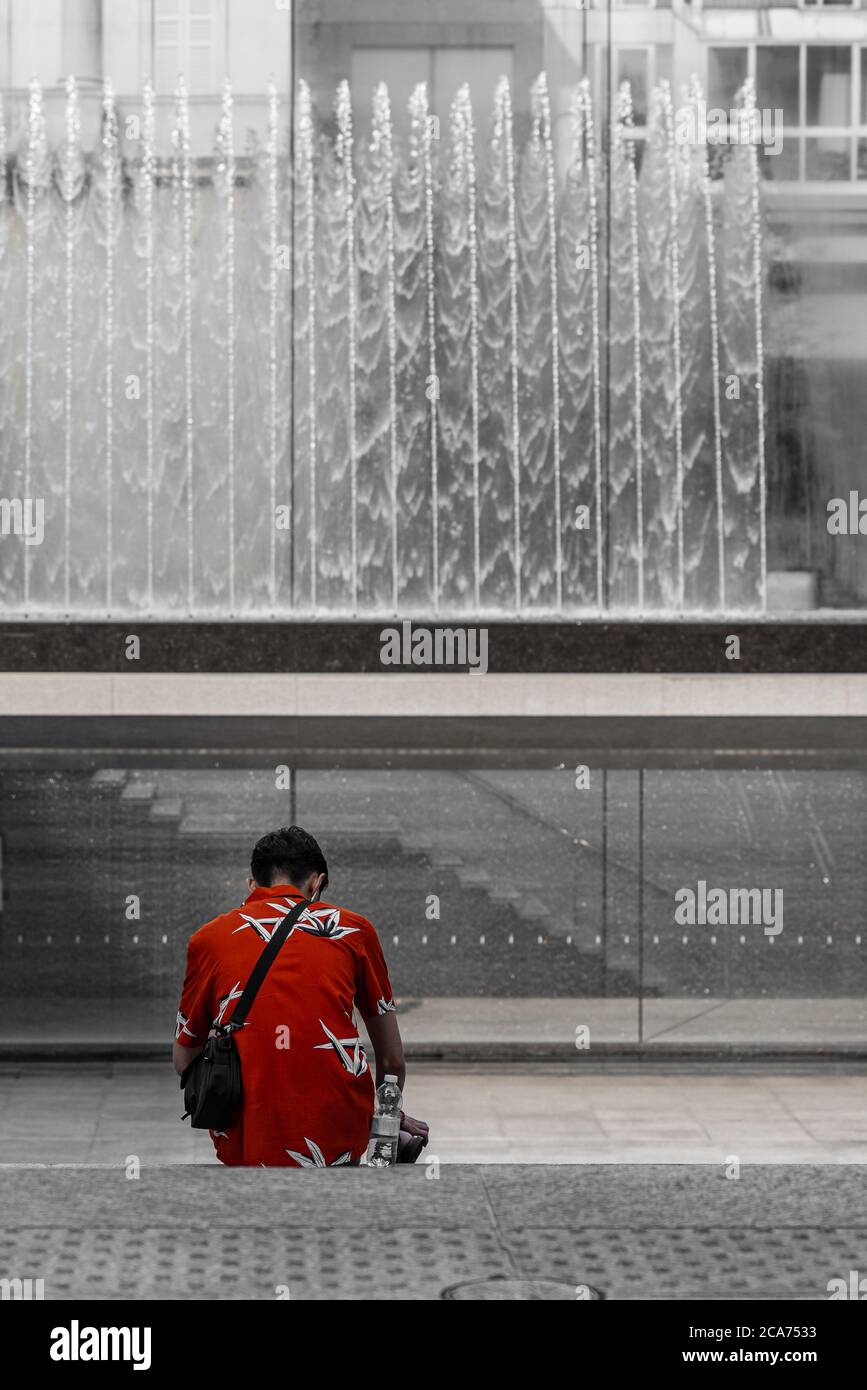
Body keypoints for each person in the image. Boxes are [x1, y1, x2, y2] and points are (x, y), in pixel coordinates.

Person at [172, 825, 429, 1167]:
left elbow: (184, 1058)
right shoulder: (355, 931)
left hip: (246, 1136)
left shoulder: (209, 939)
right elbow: (392, 1061)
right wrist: (387, 1122)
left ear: (252, 884)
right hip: (337, 1134)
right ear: (316, 882)